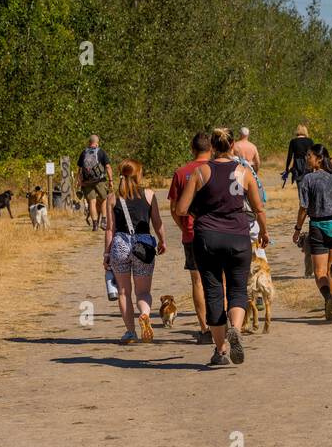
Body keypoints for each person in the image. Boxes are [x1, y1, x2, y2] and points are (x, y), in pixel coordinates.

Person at [176, 128, 269, 367]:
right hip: (238, 237)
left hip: (207, 238)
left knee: (214, 292)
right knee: (238, 290)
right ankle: (235, 329)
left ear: (213, 147)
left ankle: (220, 351)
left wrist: (201, 211)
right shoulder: (244, 172)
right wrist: (265, 232)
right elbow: (258, 208)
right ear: (232, 147)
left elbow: (181, 209)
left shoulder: (201, 171)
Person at [103, 159, 167, 344]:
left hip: (120, 244)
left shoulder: (112, 198)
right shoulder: (148, 194)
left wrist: (106, 254)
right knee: (143, 292)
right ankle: (145, 314)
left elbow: (110, 229)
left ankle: (130, 332)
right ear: (138, 174)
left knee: (123, 292)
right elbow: (157, 222)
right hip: (143, 245)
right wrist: (162, 241)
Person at [293, 143, 332, 322]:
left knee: (319, 272)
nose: (306, 158)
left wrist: (297, 229)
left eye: (309, 156)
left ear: (319, 159)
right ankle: (331, 304)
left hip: (318, 226)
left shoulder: (308, 179)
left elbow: (303, 208)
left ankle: (328, 299)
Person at [169, 132, 214, 345]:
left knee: (197, 281)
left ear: (192, 148)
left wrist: (184, 228)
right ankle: (222, 324)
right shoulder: (218, 169)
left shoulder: (181, 173)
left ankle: (205, 328)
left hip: (192, 234)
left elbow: (174, 209)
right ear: (211, 149)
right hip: (218, 232)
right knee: (220, 280)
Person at [78, 134, 113, 232]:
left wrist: (79, 181)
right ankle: (104, 221)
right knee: (104, 198)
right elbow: (108, 167)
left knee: (92, 202)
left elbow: (80, 169)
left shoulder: (84, 152)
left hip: (87, 181)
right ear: (97, 143)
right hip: (100, 180)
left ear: (89, 142)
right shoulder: (101, 152)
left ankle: (95, 225)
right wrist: (111, 180)